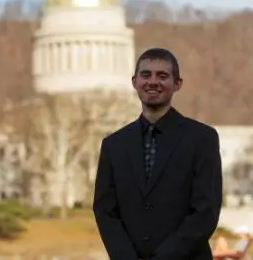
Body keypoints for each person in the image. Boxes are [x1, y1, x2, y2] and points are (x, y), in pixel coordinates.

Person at [93, 48, 223, 260]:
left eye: (162, 76)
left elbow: (205, 212)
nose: (153, 82)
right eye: (146, 75)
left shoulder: (202, 139)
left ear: (178, 84)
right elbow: (105, 211)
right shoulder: (113, 145)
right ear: (134, 81)